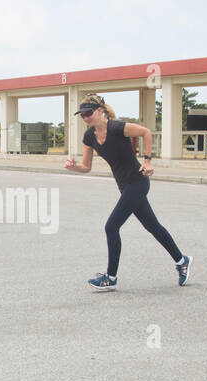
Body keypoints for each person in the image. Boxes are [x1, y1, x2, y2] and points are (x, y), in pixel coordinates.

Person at [64, 95, 191, 290]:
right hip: (125, 186)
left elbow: (146, 132)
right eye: (82, 115)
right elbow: (86, 167)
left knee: (111, 227)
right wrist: (74, 168)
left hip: (138, 183)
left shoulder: (117, 128)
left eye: (88, 113)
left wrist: (147, 161)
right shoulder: (89, 136)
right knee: (153, 227)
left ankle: (111, 277)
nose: (86, 118)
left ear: (99, 111)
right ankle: (182, 261)